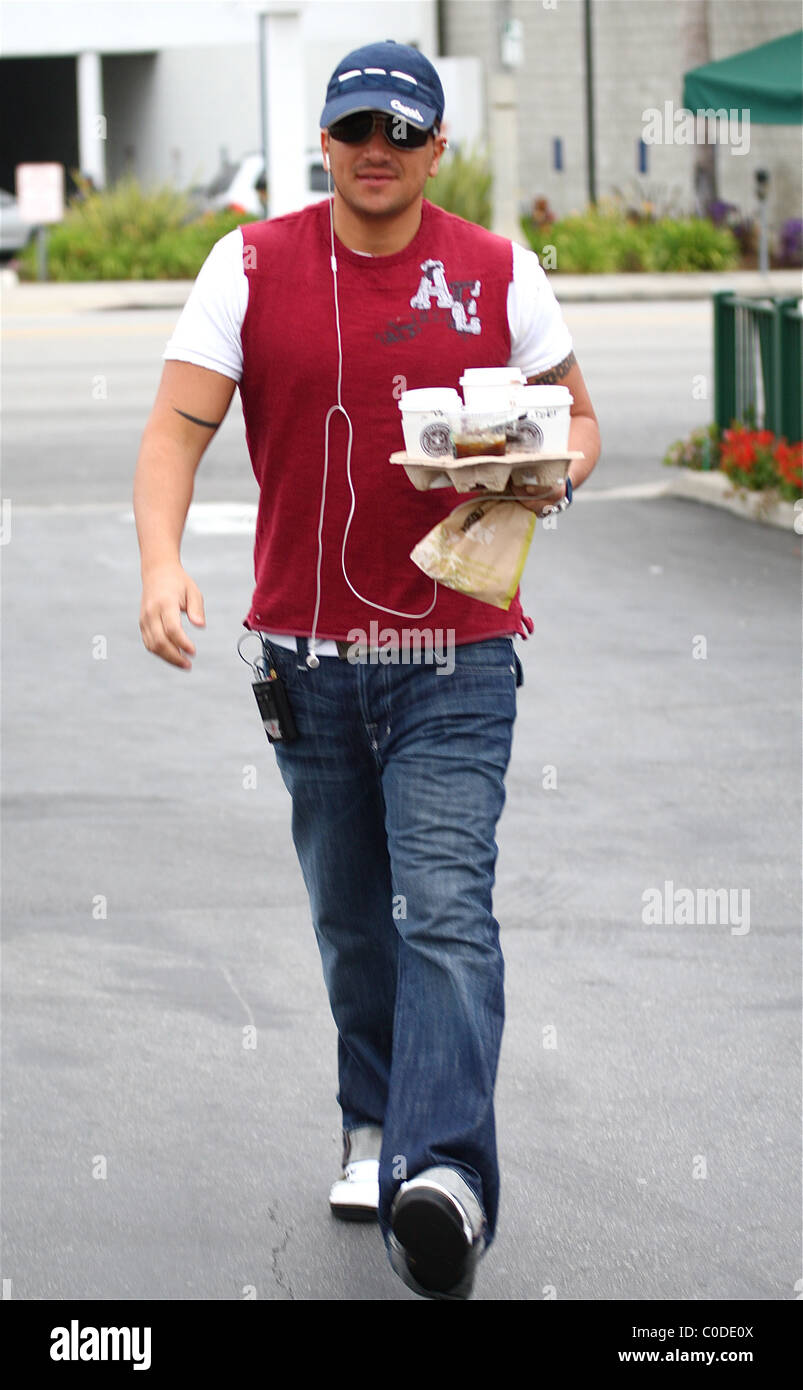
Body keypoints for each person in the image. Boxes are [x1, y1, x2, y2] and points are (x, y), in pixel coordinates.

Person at [134, 39, 600, 1300]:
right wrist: (162, 565)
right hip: (308, 660)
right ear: (325, 144)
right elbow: (177, 425)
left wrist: (535, 467)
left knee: (441, 907)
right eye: (355, 130)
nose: (376, 150)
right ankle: (369, 1120)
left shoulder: (497, 271)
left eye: (401, 131)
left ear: (436, 147)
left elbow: (579, 419)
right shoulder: (246, 265)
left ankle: (440, 1175)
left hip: (455, 655)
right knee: (353, 920)